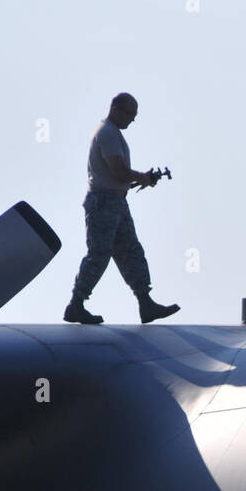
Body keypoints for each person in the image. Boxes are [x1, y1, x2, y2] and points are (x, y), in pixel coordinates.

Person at [64, 93, 180, 324]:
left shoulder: (111, 133)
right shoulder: (107, 133)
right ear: (116, 109)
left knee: (131, 251)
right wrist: (141, 177)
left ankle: (145, 303)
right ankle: (76, 304)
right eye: (130, 114)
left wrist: (138, 179)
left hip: (115, 202)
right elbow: (117, 170)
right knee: (99, 254)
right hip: (104, 203)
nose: (132, 120)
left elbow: (117, 174)